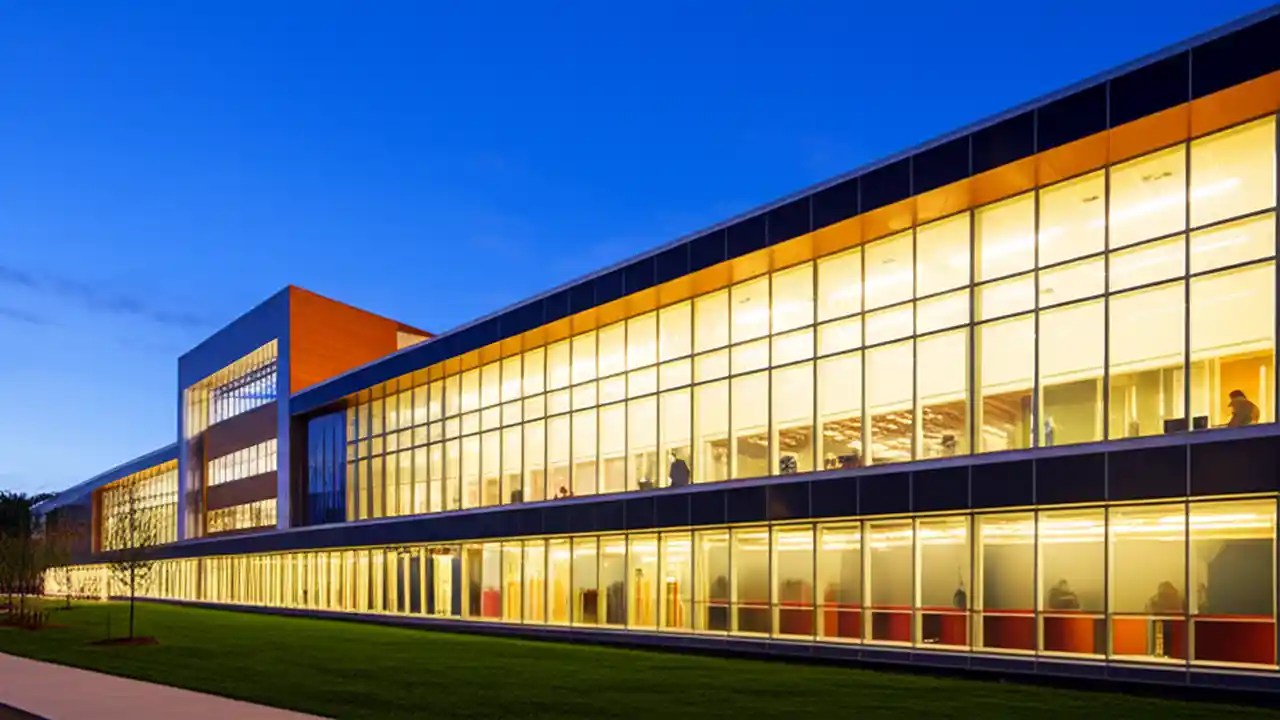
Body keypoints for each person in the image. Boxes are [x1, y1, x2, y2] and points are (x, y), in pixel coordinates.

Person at [1146, 580, 1183, 657]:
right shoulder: (1176, 598)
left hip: (1164, 627)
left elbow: (1151, 610)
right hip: (1169, 627)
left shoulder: (1155, 599)